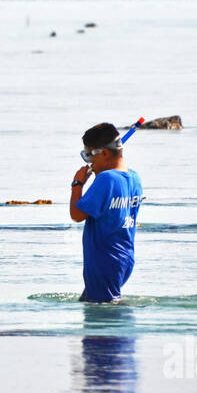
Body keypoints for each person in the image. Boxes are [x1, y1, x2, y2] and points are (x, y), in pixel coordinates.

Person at [70, 123, 143, 303]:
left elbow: (77, 215)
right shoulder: (134, 177)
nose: (88, 162)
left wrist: (77, 184)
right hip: (123, 259)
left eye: (89, 155)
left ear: (103, 153)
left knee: (102, 319)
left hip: (104, 261)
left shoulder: (106, 179)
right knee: (100, 305)